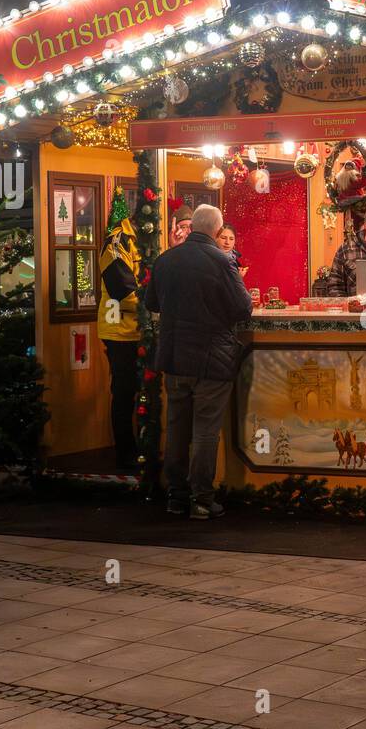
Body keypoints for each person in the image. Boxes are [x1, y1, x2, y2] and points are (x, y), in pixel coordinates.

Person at [145, 203, 252, 518]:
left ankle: (176, 497)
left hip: (175, 358)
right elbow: (243, 308)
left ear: (192, 227)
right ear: (217, 231)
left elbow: (151, 302)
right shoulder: (222, 261)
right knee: (206, 430)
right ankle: (202, 500)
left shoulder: (166, 260)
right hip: (211, 359)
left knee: (177, 428)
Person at [98, 202, 142, 470]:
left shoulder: (146, 239)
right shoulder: (116, 242)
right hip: (119, 331)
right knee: (124, 394)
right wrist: (157, 306)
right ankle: (126, 455)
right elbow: (123, 291)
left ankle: (142, 450)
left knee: (141, 393)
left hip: (138, 329)